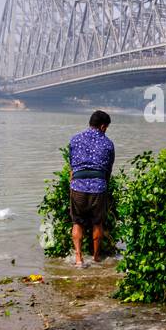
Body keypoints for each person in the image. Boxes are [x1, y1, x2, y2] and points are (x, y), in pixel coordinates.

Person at [68, 110, 115, 266]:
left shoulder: (75, 139)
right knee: (97, 223)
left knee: (77, 222)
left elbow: (72, 166)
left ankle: (78, 259)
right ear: (103, 126)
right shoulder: (108, 144)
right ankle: (95, 258)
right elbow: (108, 170)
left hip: (78, 186)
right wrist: (104, 186)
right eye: (106, 127)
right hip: (98, 187)